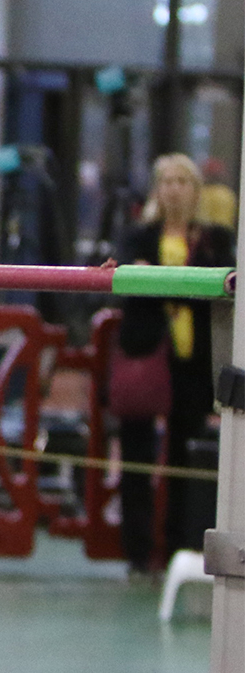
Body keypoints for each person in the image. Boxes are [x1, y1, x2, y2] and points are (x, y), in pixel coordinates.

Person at [114, 153, 236, 575]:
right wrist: (180, 282)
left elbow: (217, 286)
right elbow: (126, 281)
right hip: (146, 355)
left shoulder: (216, 239)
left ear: (196, 189)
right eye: (166, 180)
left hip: (193, 362)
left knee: (189, 455)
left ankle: (181, 550)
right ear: (156, 189)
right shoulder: (136, 236)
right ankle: (137, 553)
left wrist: (159, 281)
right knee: (136, 455)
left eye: (183, 180)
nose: (174, 188)